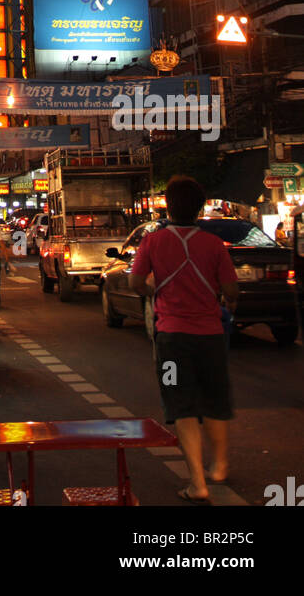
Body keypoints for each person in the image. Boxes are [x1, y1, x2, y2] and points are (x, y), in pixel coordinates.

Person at [129, 174, 239, 504]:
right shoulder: (213, 244)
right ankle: (219, 466)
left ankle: (197, 483)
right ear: (201, 208)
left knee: (181, 405)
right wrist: (222, 300)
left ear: (169, 206)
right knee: (215, 401)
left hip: (171, 339)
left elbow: (135, 282)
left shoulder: (153, 241)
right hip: (211, 338)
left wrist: (155, 293)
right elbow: (232, 290)